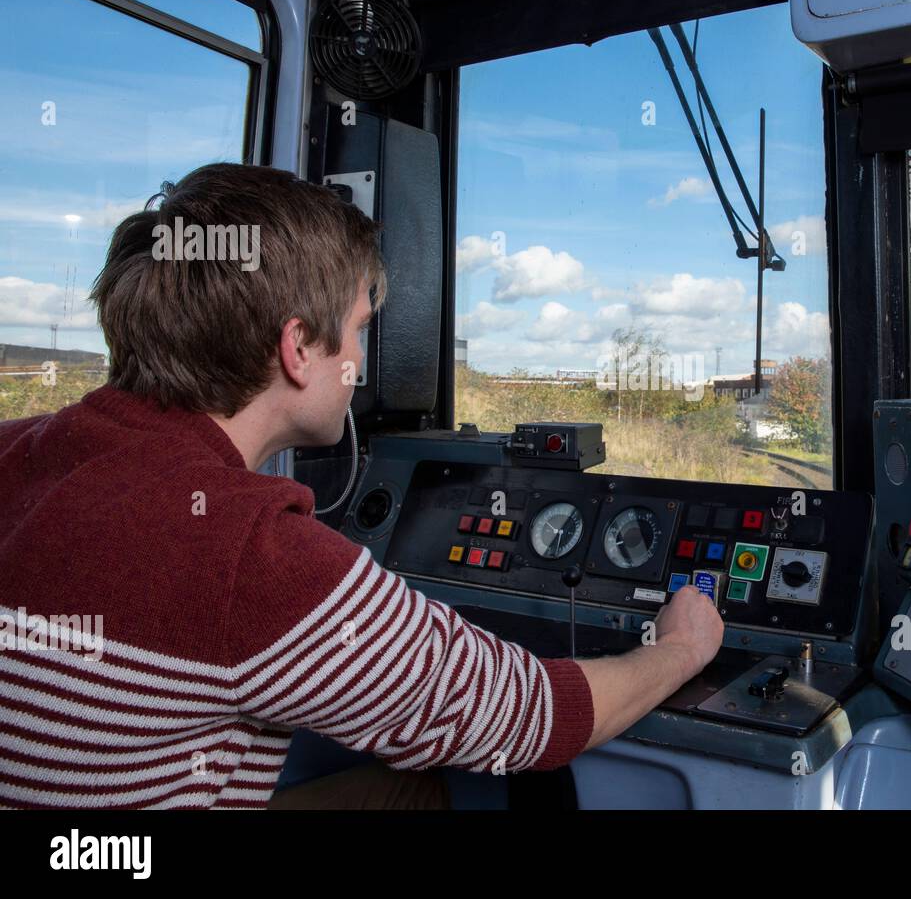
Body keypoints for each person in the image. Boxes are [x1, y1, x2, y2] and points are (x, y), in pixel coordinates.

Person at [0, 163, 723, 809]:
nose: (361, 361)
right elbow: (529, 717)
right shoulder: (250, 554)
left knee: (406, 787)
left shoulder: (21, 448)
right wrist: (679, 650)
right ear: (298, 348)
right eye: (357, 330)